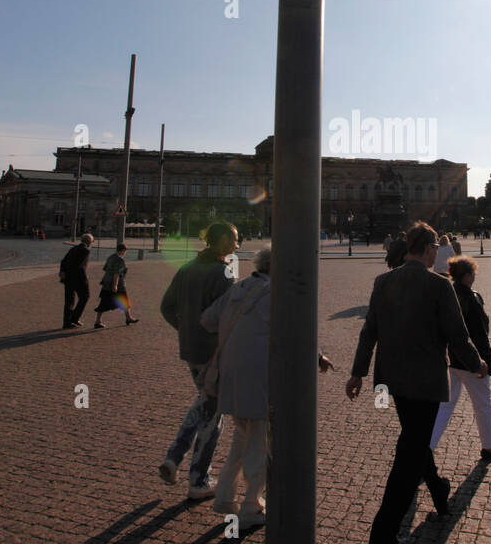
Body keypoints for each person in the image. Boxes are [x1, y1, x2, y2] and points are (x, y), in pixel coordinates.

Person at [346, 221, 487, 544]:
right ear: (427, 249)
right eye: (436, 248)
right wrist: (477, 363)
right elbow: (457, 334)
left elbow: (370, 333)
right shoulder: (439, 286)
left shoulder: (384, 281)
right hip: (425, 381)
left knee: (414, 437)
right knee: (408, 457)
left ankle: (437, 489)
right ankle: (383, 536)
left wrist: (357, 373)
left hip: (394, 379)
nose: (438, 253)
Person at [201, 247, 334, 526]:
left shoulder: (240, 288)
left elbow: (207, 321)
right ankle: (251, 507)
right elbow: (298, 331)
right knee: (261, 443)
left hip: (231, 374)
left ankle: (225, 497)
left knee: (241, 436)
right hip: (259, 378)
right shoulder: (278, 294)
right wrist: (318, 357)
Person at [158, 221, 238, 501]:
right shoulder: (223, 272)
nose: (237, 246)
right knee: (214, 418)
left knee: (204, 403)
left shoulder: (187, 269)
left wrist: (186, 329)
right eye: (234, 240)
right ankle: (198, 481)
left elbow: (166, 307)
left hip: (190, 350)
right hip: (214, 353)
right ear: (222, 242)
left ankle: (174, 458)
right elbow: (229, 317)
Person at [431, 255, 491, 460]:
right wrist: (488, 362)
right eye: (473, 273)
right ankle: (488, 446)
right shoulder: (472, 298)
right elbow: (480, 334)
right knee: (482, 404)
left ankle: (427, 449)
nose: (475, 276)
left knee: (445, 406)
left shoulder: (448, 294)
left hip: (452, 360)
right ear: (466, 276)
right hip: (473, 361)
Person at [93, 244, 139, 328]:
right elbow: (117, 273)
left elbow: (105, 269)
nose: (125, 253)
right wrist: (115, 285)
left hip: (106, 282)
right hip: (117, 284)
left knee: (103, 302)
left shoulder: (111, 257)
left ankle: (98, 321)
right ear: (123, 250)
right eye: (125, 251)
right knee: (124, 300)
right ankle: (128, 318)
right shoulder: (120, 260)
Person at [59, 233, 93, 329]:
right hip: (78, 279)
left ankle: (67, 322)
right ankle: (74, 318)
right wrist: (85, 280)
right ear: (89, 242)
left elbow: (63, 261)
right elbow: (80, 267)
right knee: (85, 297)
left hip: (68, 279)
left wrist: (62, 271)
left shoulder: (73, 249)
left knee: (69, 301)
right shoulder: (86, 251)